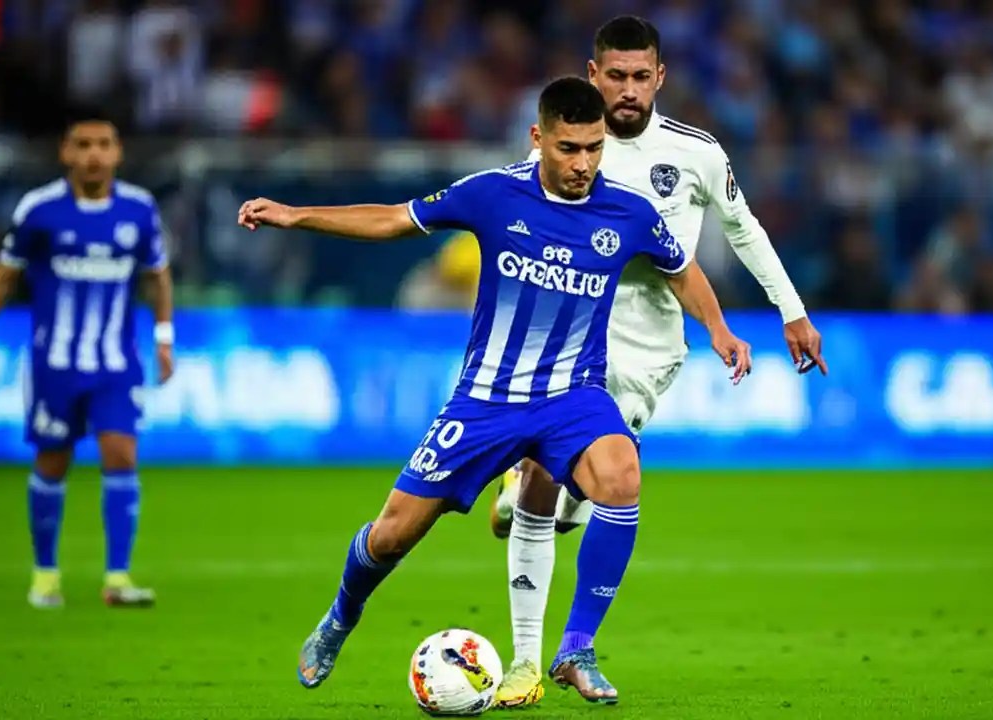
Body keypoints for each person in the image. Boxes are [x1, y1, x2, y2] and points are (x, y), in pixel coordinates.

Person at [235, 76, 752, 705]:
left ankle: (576, 648)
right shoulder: (492, 194)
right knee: (392, 534)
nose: (583, 163)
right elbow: (395, 220)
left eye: (593, 148)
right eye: (569, 148)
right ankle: (342, 614)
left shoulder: (629, 213)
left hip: (574, 397)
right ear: (539, 139)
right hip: (486, 400)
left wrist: (720, 329)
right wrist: (296, 215)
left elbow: (681, 269)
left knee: (622, 475)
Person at [490, 16, 828, 708]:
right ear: (593, 75)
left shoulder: (696, 154)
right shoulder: (566, 150)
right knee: (551, 484)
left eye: (641, 76)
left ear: (660, 78)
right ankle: (545, 658)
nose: (628, 89)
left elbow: (744, 230)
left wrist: (790, 310)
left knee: (578, 496)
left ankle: (550, 530)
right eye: (615, 75)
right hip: (565, 343)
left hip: (646, 354)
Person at [0, 115, 175, 608]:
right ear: (66, 153)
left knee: (121, 453)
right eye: (83, 144)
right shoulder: (40, 210)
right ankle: (45, 573)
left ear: (118, 152)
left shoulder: (139, 210)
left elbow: (157, 276)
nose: (94, 153)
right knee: (52, 462)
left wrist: (164, 337)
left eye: (103, 143)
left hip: (116, 363)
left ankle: (117, 578)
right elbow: (4, 277)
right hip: (53, 364)